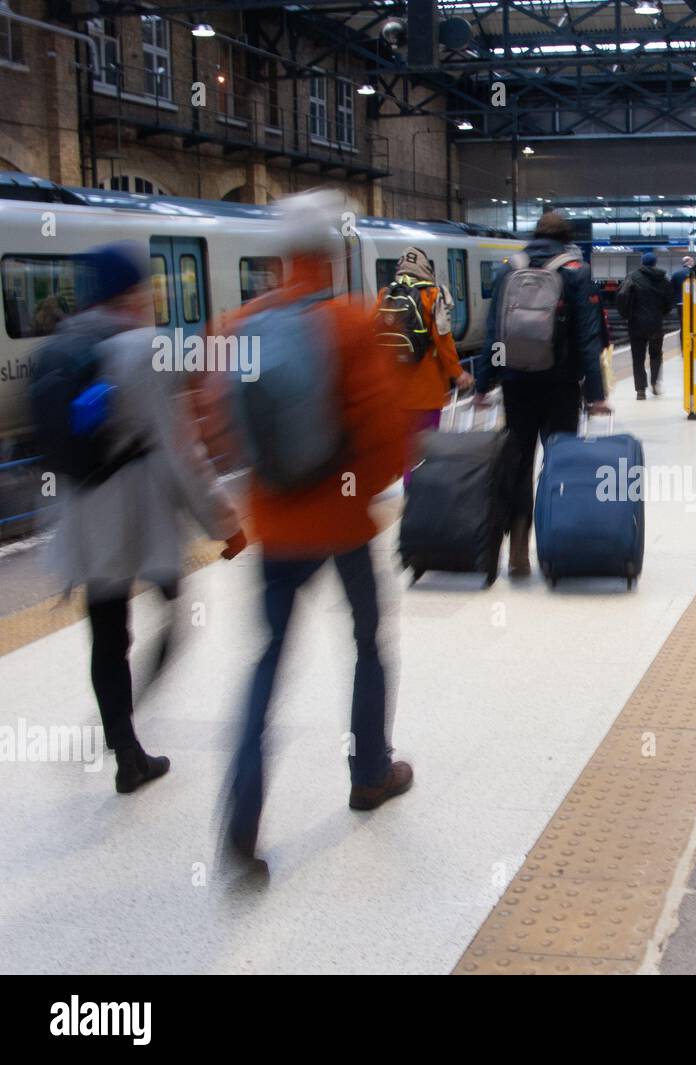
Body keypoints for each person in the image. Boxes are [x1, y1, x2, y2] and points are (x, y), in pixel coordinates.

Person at [226, 193, 408, 872]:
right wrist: (359, 486)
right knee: (366, 641)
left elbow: (221, 431)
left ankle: (242, 816)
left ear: (276, 255)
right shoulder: (353, 324)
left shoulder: (240, 327)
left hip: (274, 527)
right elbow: (388, 439)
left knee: (266, 663)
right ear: (333, 252)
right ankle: (370, 771)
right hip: (343, 521)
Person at [34, 242, 245, 794]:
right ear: (129, 293)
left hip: (85, 514)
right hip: (138, 515)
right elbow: (181, 452)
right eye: (146, 289)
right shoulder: (143, 349)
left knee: (107, 634)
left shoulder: (66, 342)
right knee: (176, 613)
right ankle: (127, 737)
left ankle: (122, 744)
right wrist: (224, 523)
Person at [474, 211, 611, 577]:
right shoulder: (575, 271)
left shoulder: (508, 269)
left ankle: (518, 550)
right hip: (561, 384)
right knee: (560, 463)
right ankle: (557, 545)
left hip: (517, 383)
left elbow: (494, 335)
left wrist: (483, 385)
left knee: (518, 463)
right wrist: (596, 393)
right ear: (567, 238)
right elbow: (587, 338)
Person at [375, 245, 473, 484]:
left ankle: (408, 490)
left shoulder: (385, 295)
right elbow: (444, 341)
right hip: (426, 393)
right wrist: (459, 374)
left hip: (395, 391)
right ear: (425, 268)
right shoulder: (432, 296)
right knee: (426, 449)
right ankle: (421, 494)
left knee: (406, 450)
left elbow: (375, 337)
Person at [616, 251, 673, 399]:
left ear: (642, 262)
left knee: (638, 357)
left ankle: (640, 390)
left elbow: (622, 296)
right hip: (656, 324)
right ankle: (655, 383)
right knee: (656, 355)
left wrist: (626, 314)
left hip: (636, 323)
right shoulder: (663, 279)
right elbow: (669, 302)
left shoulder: (633, 277)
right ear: (655, 263)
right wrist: (661, 313)